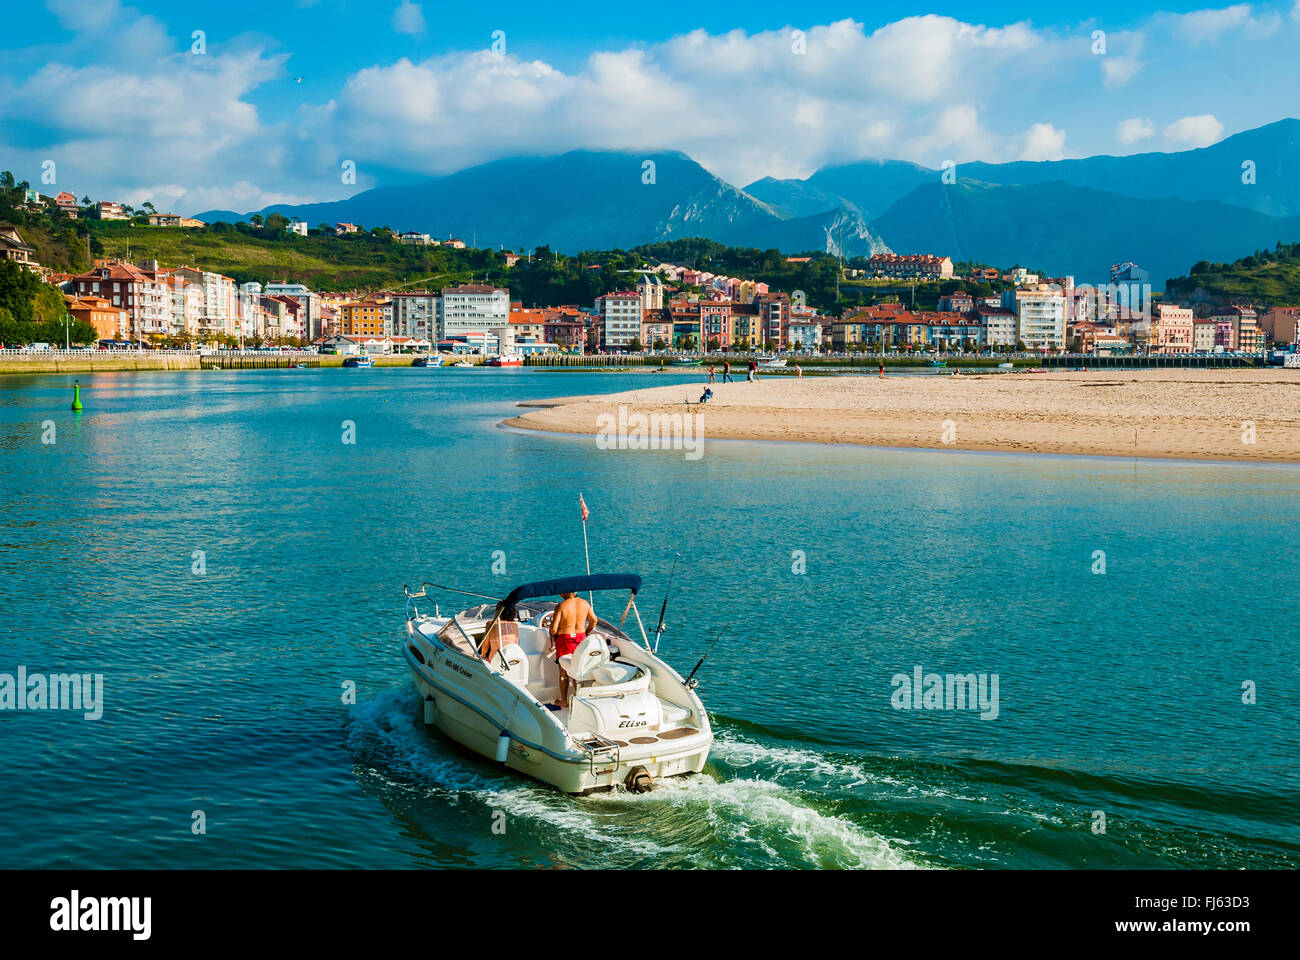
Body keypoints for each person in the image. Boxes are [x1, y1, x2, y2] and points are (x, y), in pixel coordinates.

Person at [550, 591, 597, 709]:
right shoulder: (584, 603)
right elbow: (594, 620)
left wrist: (553, 636)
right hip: (580, 638)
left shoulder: (561, 606)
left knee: (563, 672)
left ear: (566, 592)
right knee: (578, 668)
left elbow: (554, 629)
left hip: (565, 640)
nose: (559, 594)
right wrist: (586, 632)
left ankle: (564, 701)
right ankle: (578, 700)